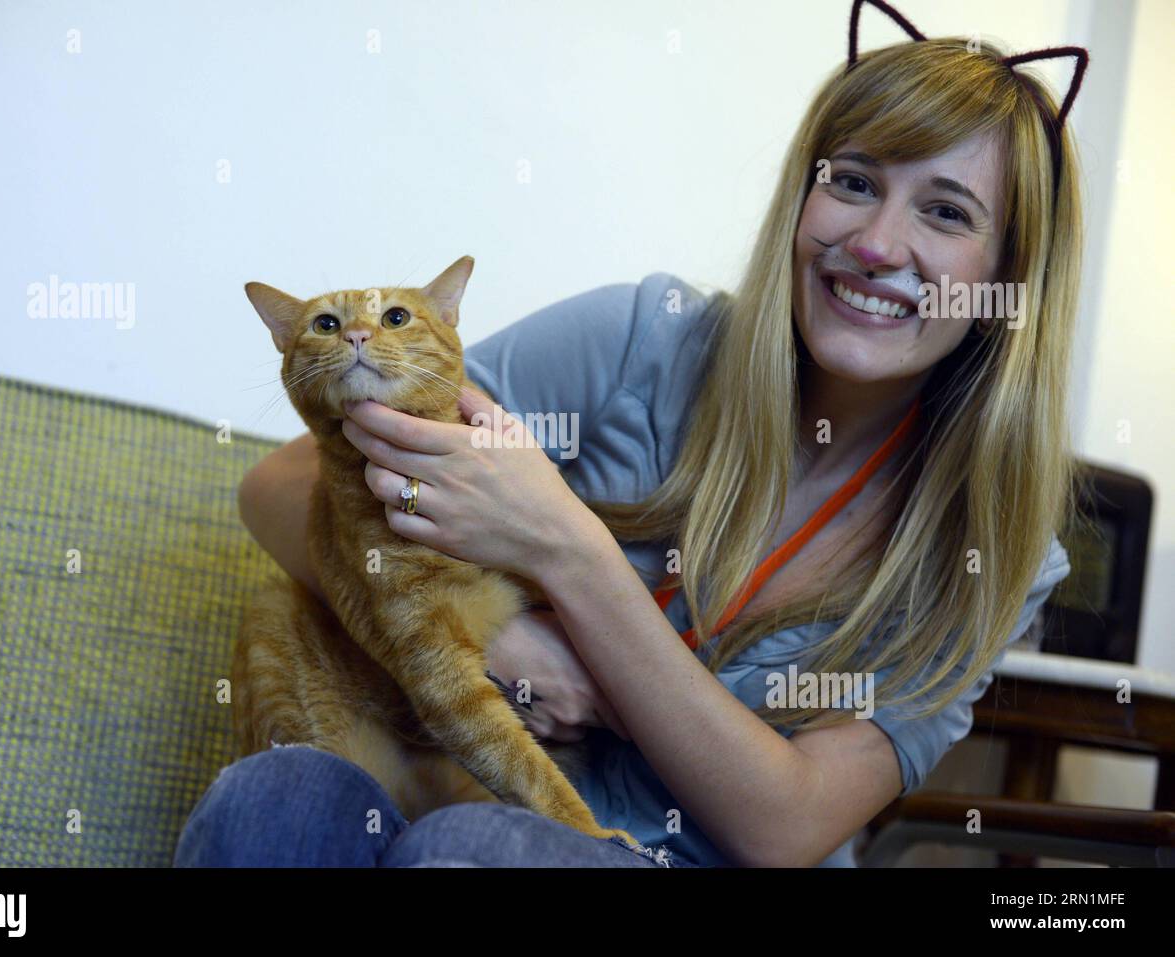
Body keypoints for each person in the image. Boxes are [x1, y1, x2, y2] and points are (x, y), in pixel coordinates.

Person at [175, 0, 1085, 868]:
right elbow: (280, 488)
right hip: (459, 804)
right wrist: (494, 646)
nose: (879, 243)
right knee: (278, 799)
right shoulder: (644, 337)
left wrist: (568, 552)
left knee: (480, 853)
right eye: (852, 182)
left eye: (946, 210)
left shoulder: (998, 551)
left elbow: (785, 825)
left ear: (1010, 278)